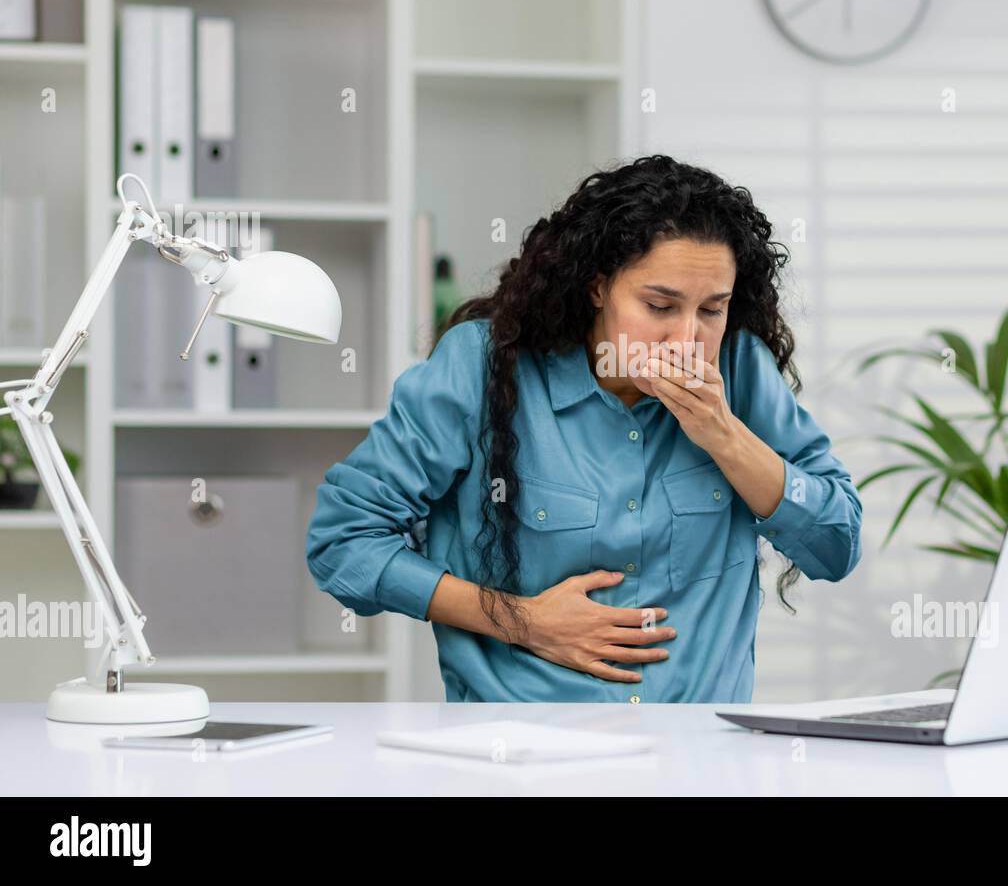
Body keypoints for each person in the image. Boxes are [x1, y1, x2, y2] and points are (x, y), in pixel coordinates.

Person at [305, 154, 863, 702]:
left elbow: (837, 545)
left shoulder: (740, 370)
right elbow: (344, 543)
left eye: (711, 310)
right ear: (598, 287)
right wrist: (522, 621)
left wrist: (725, 436)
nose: (687, 338)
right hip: (524, 753)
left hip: (702, 757)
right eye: (659, 305)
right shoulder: (480, 368)